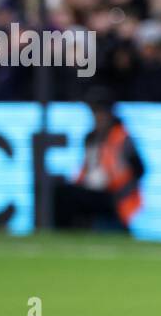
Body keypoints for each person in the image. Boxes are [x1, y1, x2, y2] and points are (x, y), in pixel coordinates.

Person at [52, 90, 145, 231]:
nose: (97, 118)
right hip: (92, 190)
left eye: (100, 113)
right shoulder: (90, 138)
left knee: (70, 196)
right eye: (95, 113)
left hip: (113, 193)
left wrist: (122, 192)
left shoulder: (122, 137)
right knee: (62, 192)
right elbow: (87, 169)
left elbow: (139, 169)